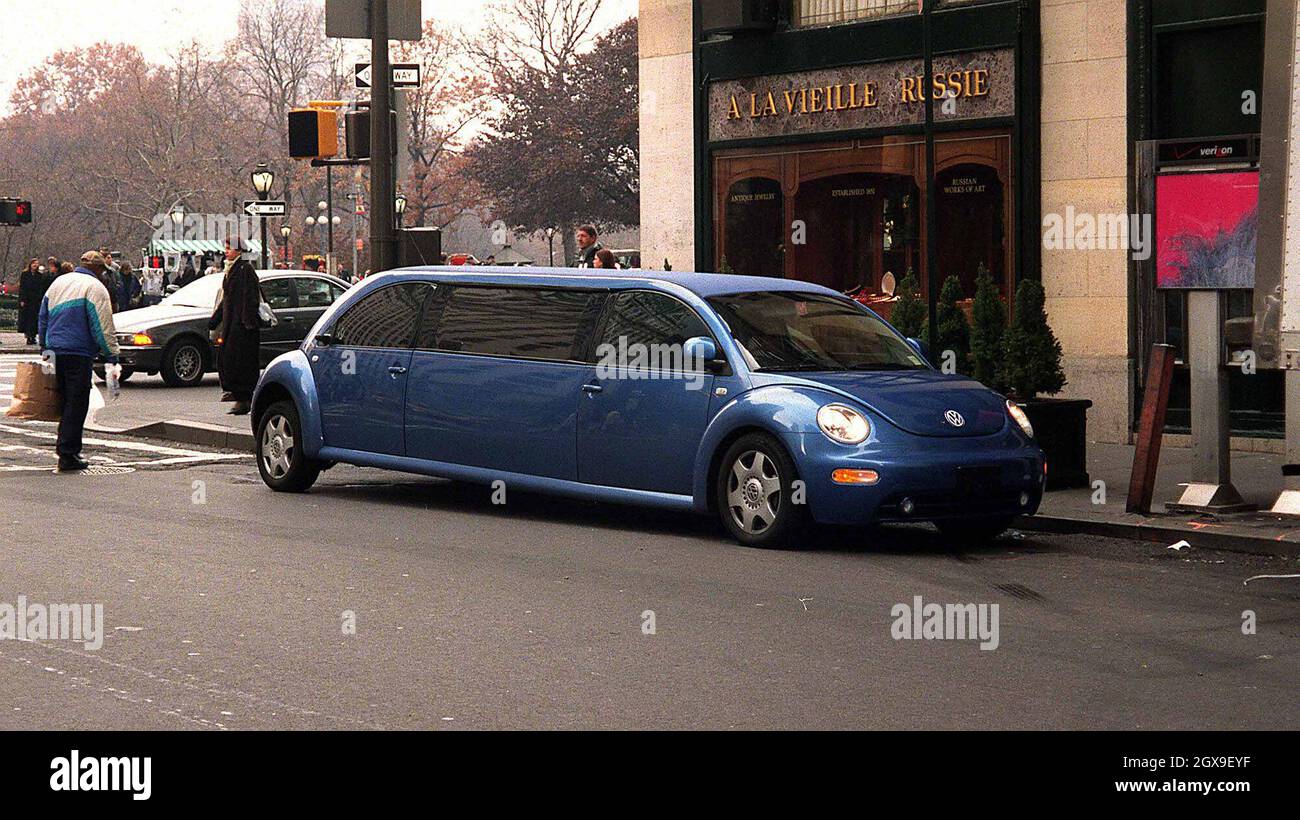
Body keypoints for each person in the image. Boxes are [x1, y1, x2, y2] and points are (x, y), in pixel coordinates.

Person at [38, 251, 119, 473]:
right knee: (76, 401)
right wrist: (112, 355)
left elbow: (43, 315)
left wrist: (44, 346)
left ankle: (64, 447)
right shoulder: (95, 288)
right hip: (78, 352)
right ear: (98, 269)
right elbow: (102, 326)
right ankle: (68, 452)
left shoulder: (59, 282)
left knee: (64, 400)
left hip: (55, 349)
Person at [209, 249, 262, 415]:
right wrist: (215, 320)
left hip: (242, 326)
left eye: (229, 247)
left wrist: (247, 322)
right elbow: (227, 299)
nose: (226, 251)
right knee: (230, 360)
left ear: (239, 250)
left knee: (242, 363)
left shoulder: (245, 269)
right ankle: (239, 396)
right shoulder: (231, 269)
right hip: (232, 324)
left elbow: (252, 296)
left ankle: (244, 398)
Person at [18, 259, 43, 344]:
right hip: (27, 299)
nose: (35, 265)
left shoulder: (39, 275)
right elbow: (22, 288)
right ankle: (28, 336)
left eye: (36, 264)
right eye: (33, 263)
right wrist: (22, 299)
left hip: (35, 300)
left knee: (34, 319)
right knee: (27, 318)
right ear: (30, 264)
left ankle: (33, 336)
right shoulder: (25, 274)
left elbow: (40, 288)